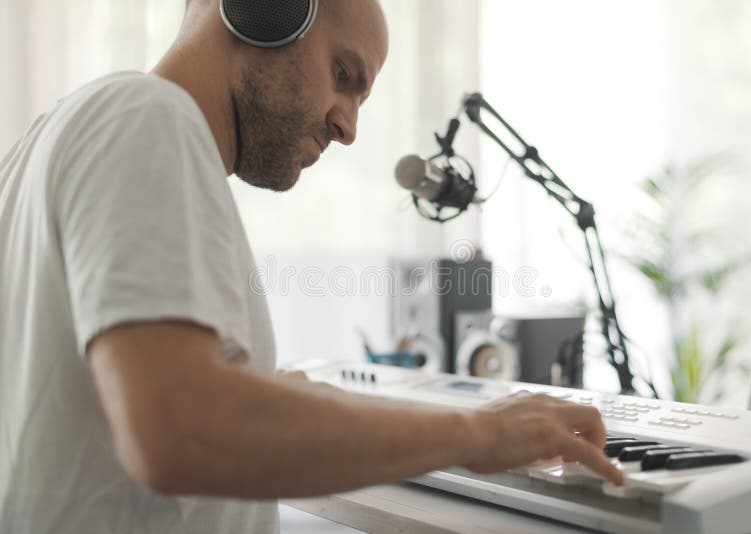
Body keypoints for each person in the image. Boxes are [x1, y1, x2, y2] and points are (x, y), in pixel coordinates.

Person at [0, 0, 623, 532]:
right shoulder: (147, 117)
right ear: (264, 10)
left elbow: (110, 404)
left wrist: (267, 389)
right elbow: (180, 429)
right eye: (343, 73)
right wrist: (478, 434)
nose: (348, 126)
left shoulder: (47, 141)